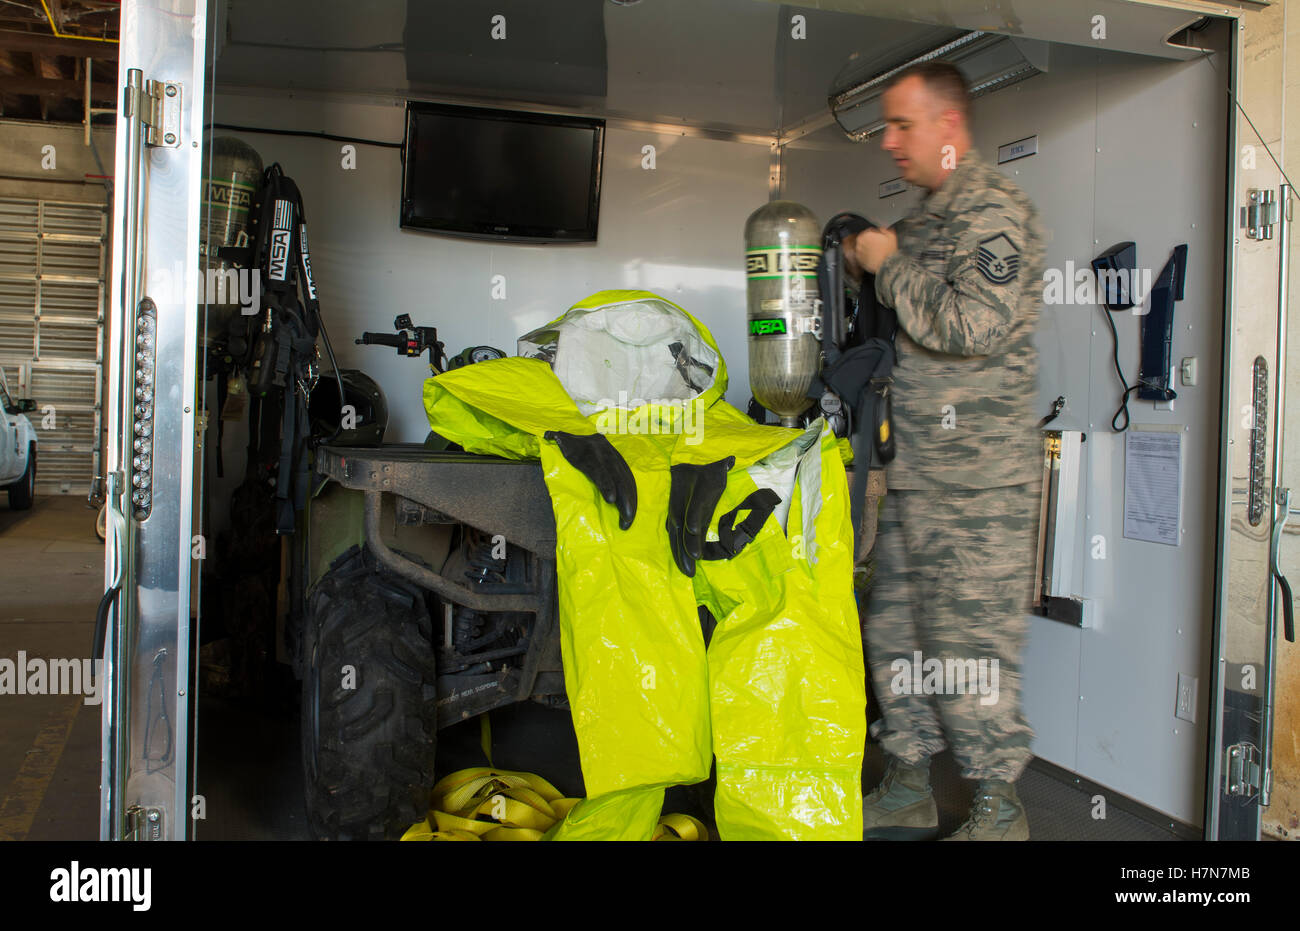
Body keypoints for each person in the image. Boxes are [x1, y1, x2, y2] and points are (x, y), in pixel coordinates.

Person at [843, 61, 1045, 840]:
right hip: (915, 473)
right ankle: (907, 780)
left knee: (969, 641)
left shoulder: (991, 208)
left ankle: (999, 805)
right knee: (894, 628)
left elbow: (973, 326)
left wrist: (886, 264)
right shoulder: (926, 220)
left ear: (949, 127)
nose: (889, 142)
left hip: (978, 484)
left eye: (902, 124)